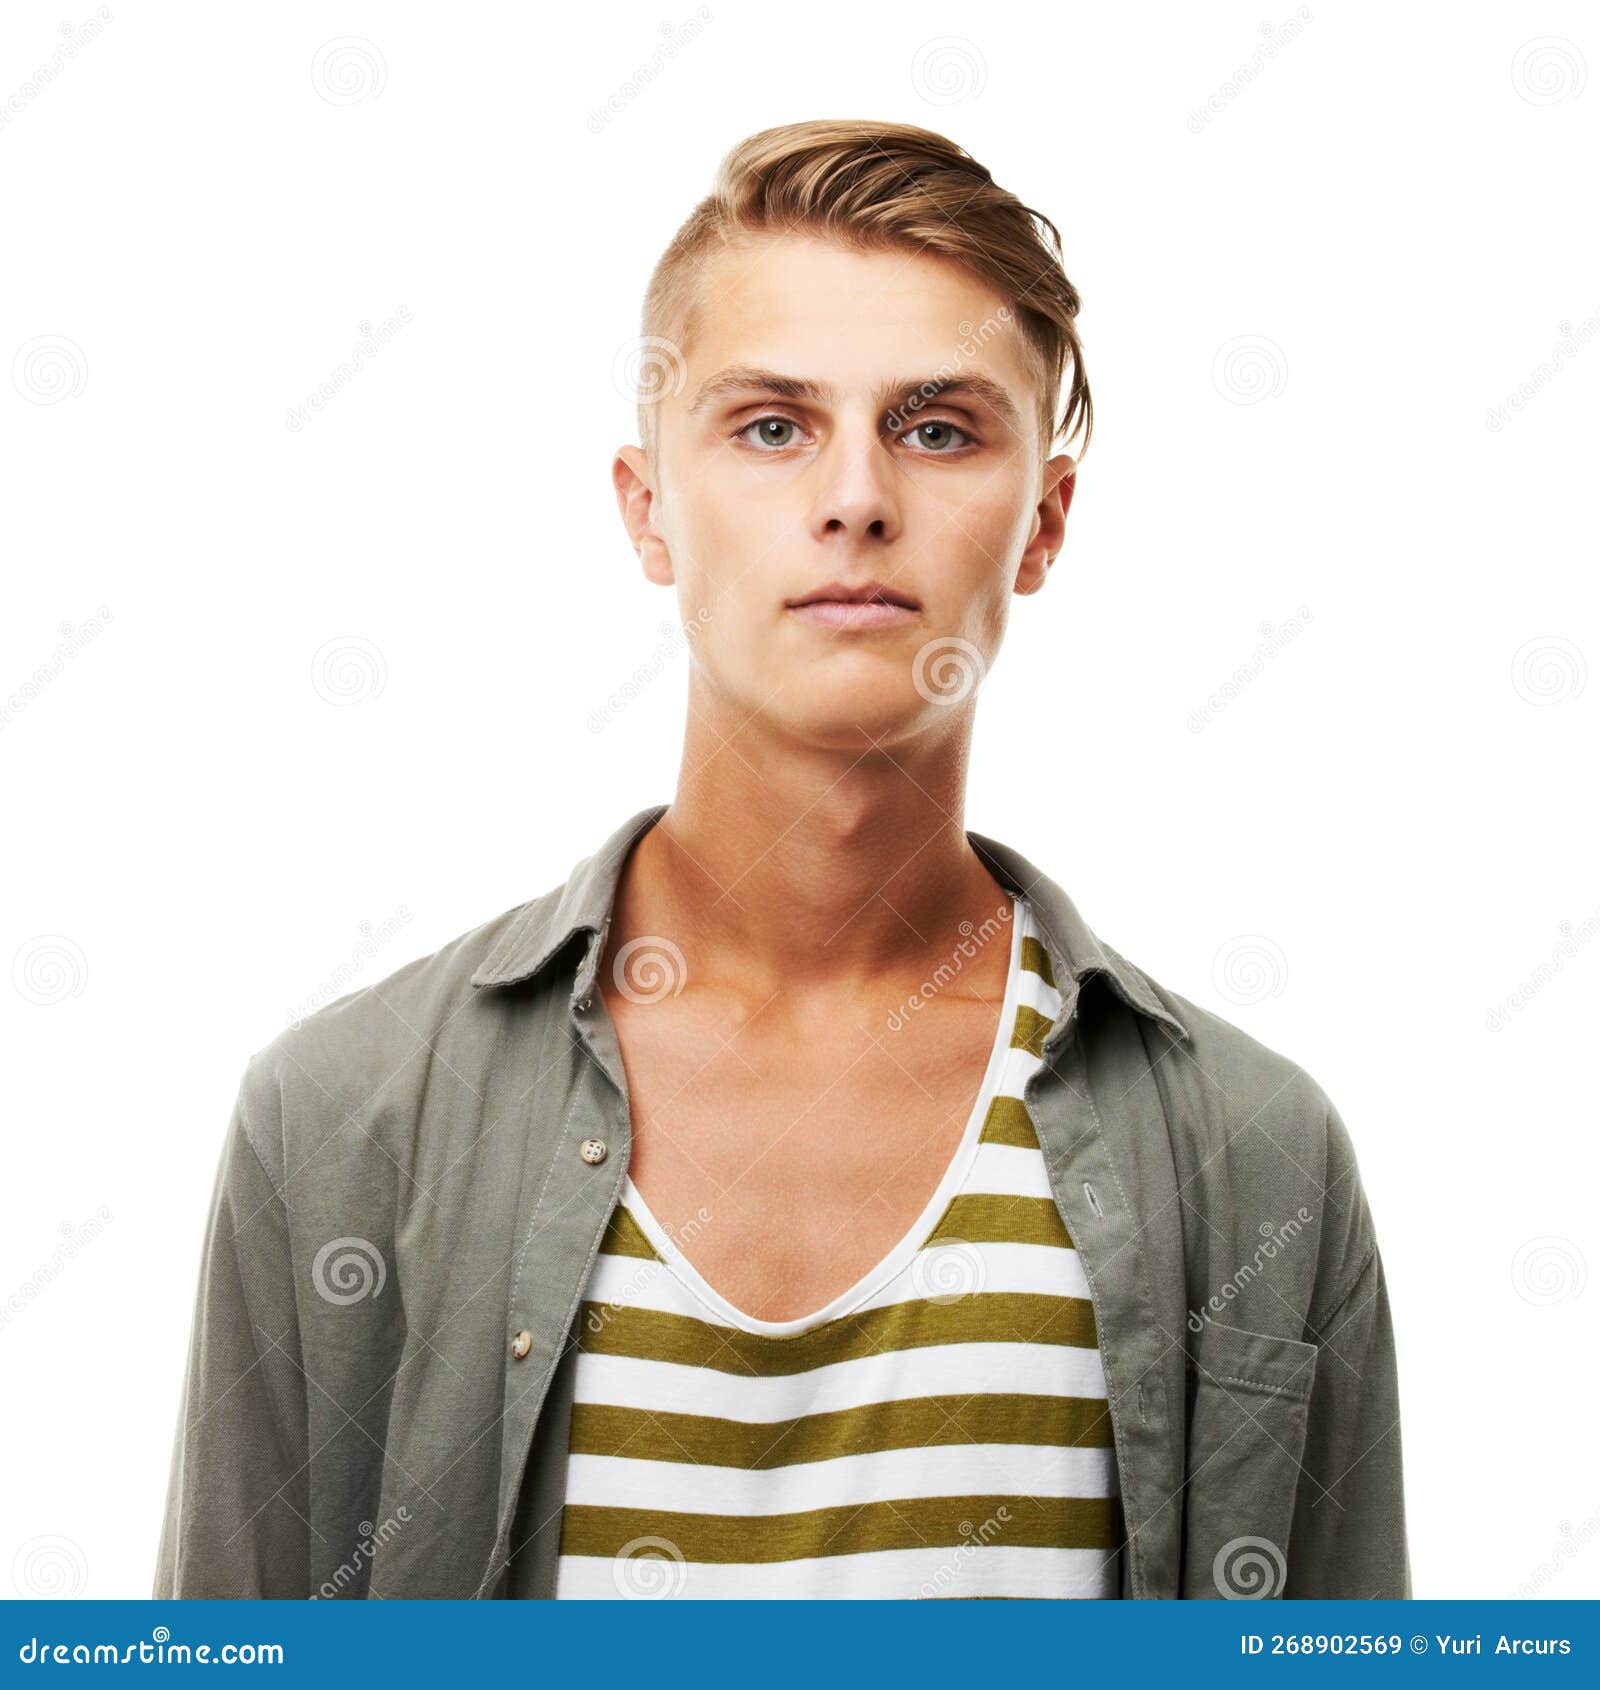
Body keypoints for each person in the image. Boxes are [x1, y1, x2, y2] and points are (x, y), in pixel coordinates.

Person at [156, 118, 1408, 1601]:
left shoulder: (1256, 1155)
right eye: (770, 425)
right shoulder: (341, 1119)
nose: (859, 495)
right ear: (648, 510)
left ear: (1045, 522)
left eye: (939, 427)